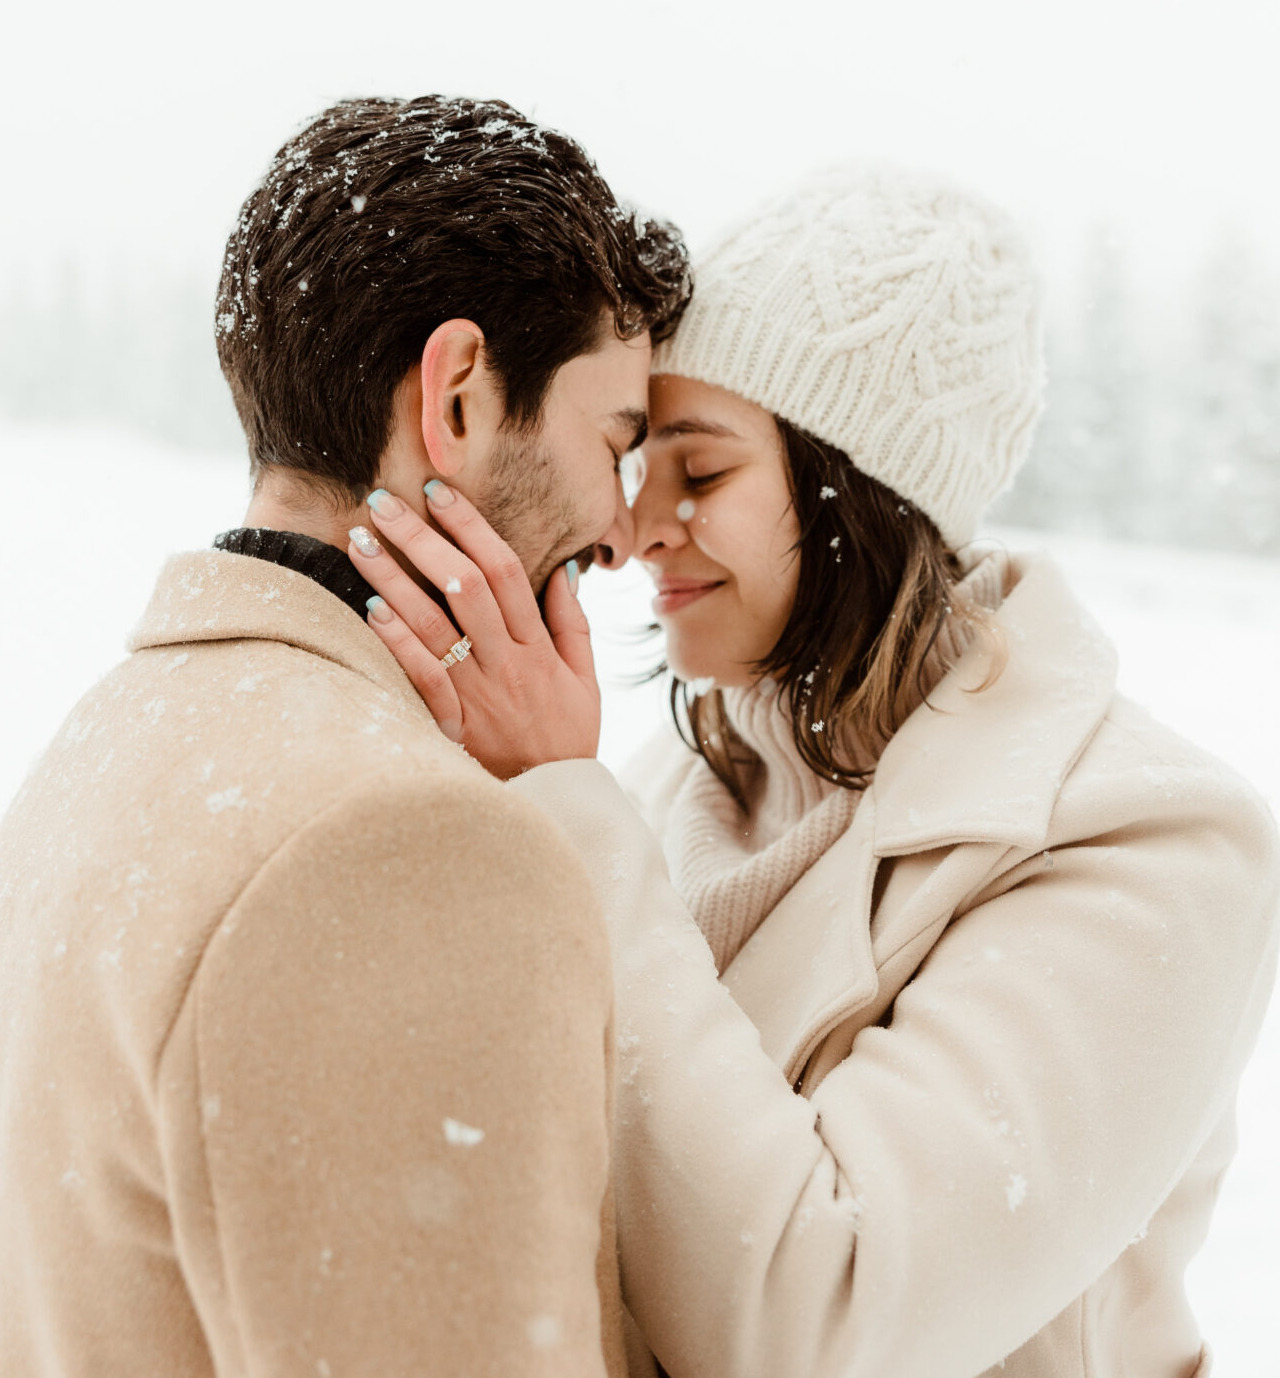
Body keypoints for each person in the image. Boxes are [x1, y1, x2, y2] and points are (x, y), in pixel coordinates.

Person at [353, 165, 1280, 1378]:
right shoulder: (674, 786)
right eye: (636, 462)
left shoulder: (1148, 845)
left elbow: (826, 1322)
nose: (628, 531)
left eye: (701, 472)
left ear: (865, 494)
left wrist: (556, 804)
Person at [0, 94, 690, 1378]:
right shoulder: (411, 849)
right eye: (614, 441)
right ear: (457, 395)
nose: (619, 530)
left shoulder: (105, 746)